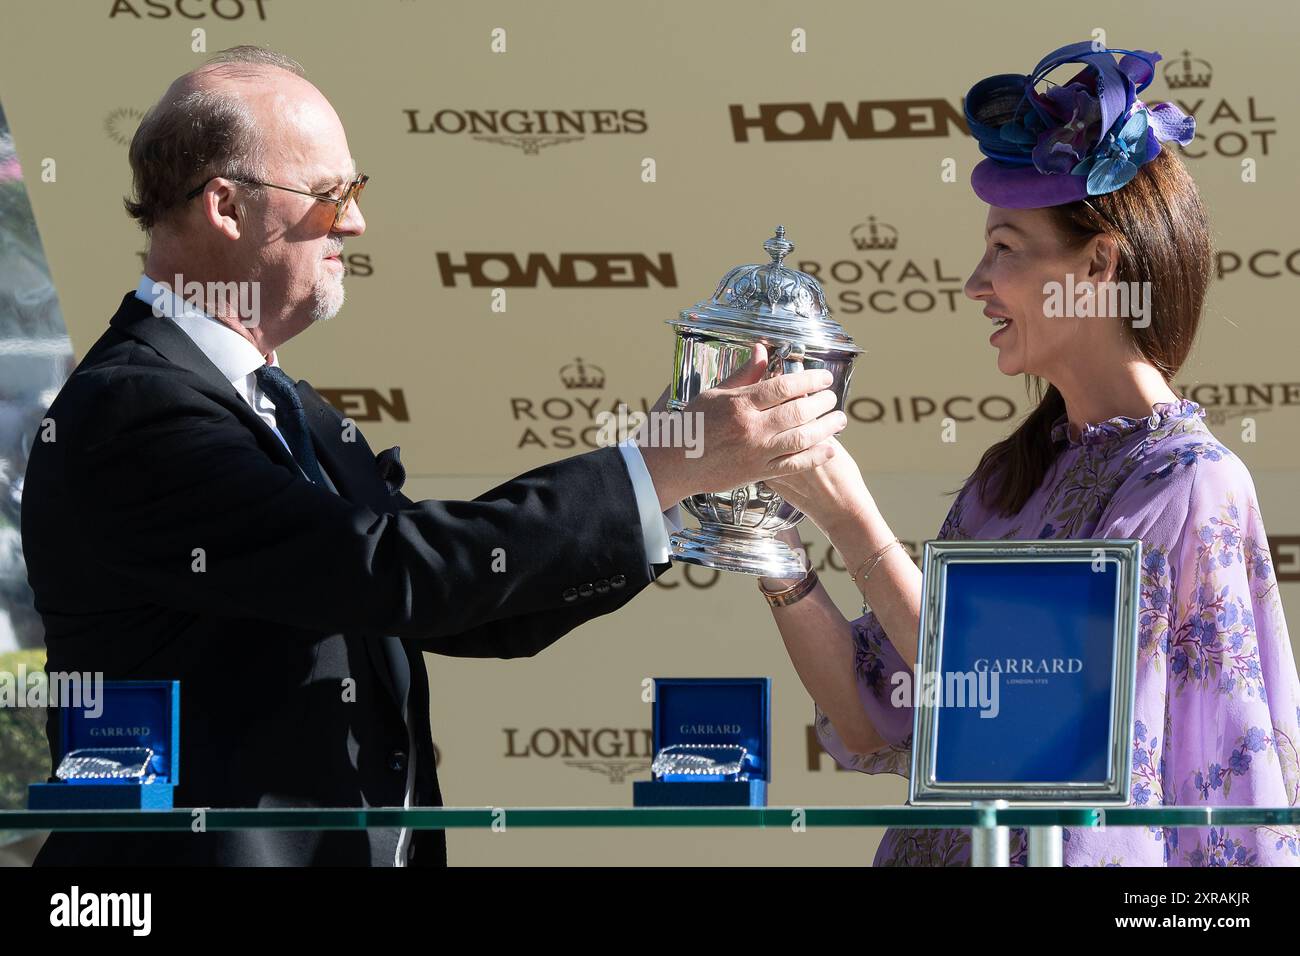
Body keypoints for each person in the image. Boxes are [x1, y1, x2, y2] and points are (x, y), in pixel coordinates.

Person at [20, 46, 847, 866]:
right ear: (226, 207)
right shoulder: (133, 407)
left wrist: (676, 490)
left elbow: (470, 606)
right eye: (328, 194)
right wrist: (663, 465)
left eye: (357, 191)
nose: (354, 221)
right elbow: (391, 571)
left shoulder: (282, 402)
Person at [758, 41, 1300, 866]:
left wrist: (851, 516)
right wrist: (769, 535)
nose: (977, 283)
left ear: (1098, 264)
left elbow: (1018, 711)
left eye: (1006, 248)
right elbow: (873, 713)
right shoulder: (1010, 476)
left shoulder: (1188, 482)